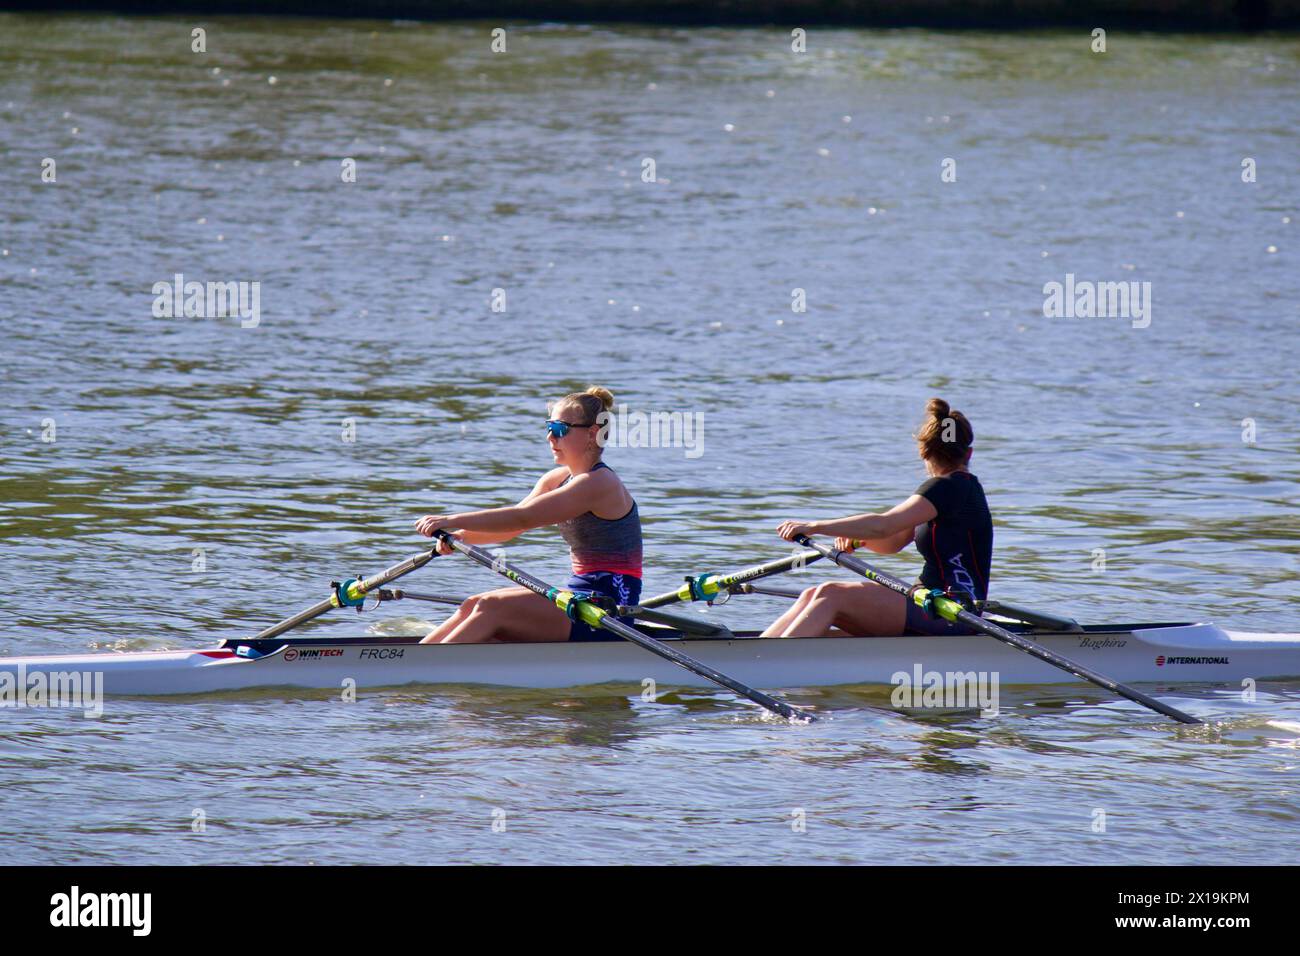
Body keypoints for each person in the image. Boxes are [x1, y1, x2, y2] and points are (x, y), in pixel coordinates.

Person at [414, 386, 642, 644]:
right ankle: (414, 661)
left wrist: (450, 520)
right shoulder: (557, 479)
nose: (549, 437)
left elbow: (522, 517)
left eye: (558, 429)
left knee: (491, 606)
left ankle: (422, 672)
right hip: (579, 597)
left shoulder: (599, 483)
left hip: (607, 610)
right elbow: (512, 529)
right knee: (472, 604)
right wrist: (459, 536)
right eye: (548, 427)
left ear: (591, 433)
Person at [761, 398, 992, 638]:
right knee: (813, 594)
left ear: (924, 452)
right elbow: (893, 541)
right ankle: (761, 654)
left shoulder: (945, 488)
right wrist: (859, 539)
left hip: (950, 610)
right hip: (929, 602)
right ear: (969, 453)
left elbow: (883, 525)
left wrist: (814, 526)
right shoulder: (955, 490)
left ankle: (763, 665)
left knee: (830, 594)